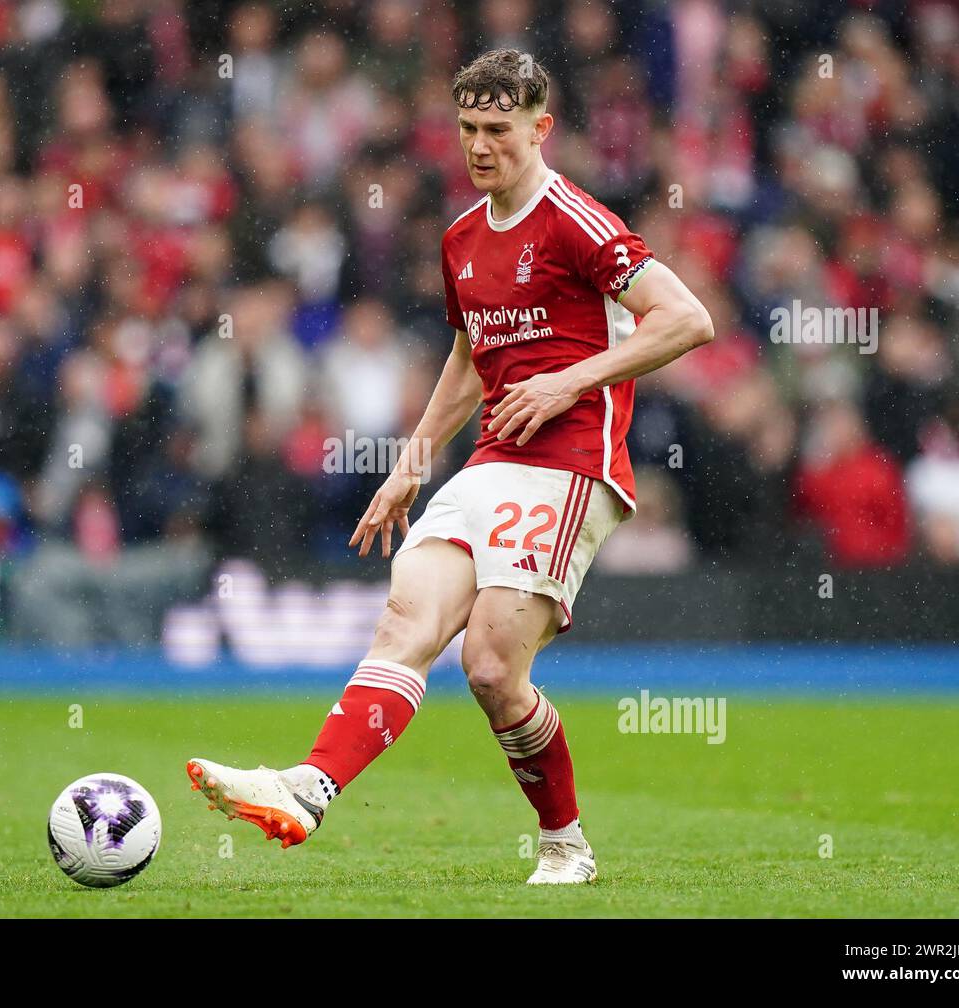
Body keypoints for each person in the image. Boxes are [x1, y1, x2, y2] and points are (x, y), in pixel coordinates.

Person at [187, 49, 714, 884]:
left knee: (492, 668)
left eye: (498, 128)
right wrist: (412, 461)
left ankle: (565, 843)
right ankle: (308, 787)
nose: (479, 145)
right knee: (406, 621)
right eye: (468, 127)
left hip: (574, 464)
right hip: (493, 461)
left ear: (541, 128)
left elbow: (686, 319)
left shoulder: (576, 221)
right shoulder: (461, 239)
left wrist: (569, 381)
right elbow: (471, 357)